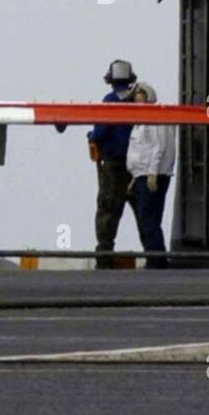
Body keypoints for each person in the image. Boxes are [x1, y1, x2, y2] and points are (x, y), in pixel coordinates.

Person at [88, 59, 139, 269]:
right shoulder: (137, 103)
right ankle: (155, 256)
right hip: (138, 166)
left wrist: (90, 135)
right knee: (143, 212)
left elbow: (99, 133)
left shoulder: (109, 101)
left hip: (112, 166)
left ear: (110, 80)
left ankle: (105, 256)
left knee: (108, 210)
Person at [126, 82, 175, 268]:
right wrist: (134, 176)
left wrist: (152, 173)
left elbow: (158, 146)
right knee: (148, 219)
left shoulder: (154, 116)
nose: (137, 97)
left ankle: (156, 261)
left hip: (151, 175)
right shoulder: (141, 120)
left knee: (149, 219)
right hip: (142, 175)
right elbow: (141, 150)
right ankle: (154, 258)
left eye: (140, 93)